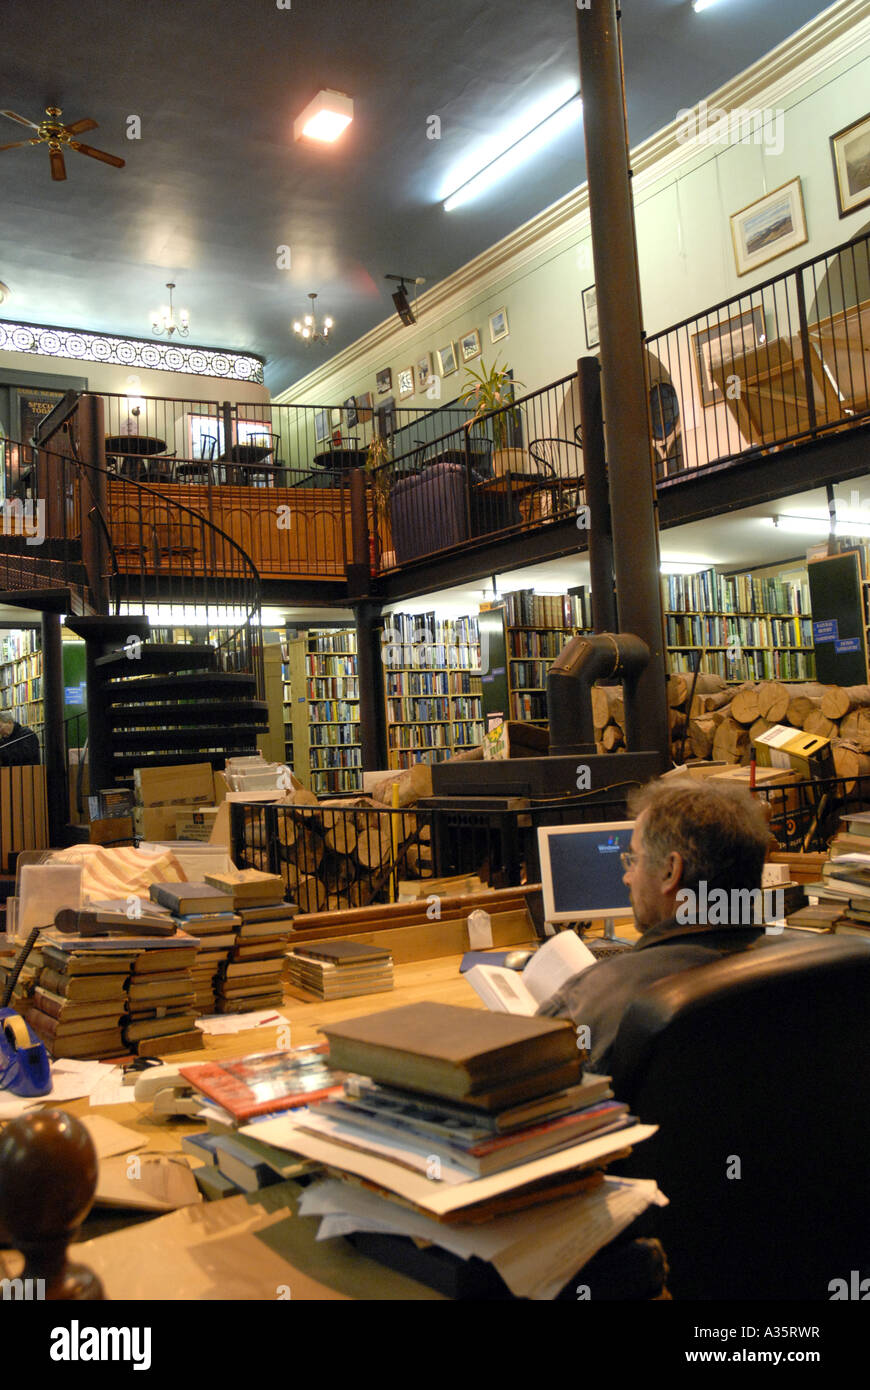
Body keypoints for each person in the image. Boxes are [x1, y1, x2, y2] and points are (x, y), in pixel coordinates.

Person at [537, 777, 775, 1083]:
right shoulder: (806, 970)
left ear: (670, 871)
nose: (627, 878)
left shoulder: (592, 998)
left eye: (634, 860)